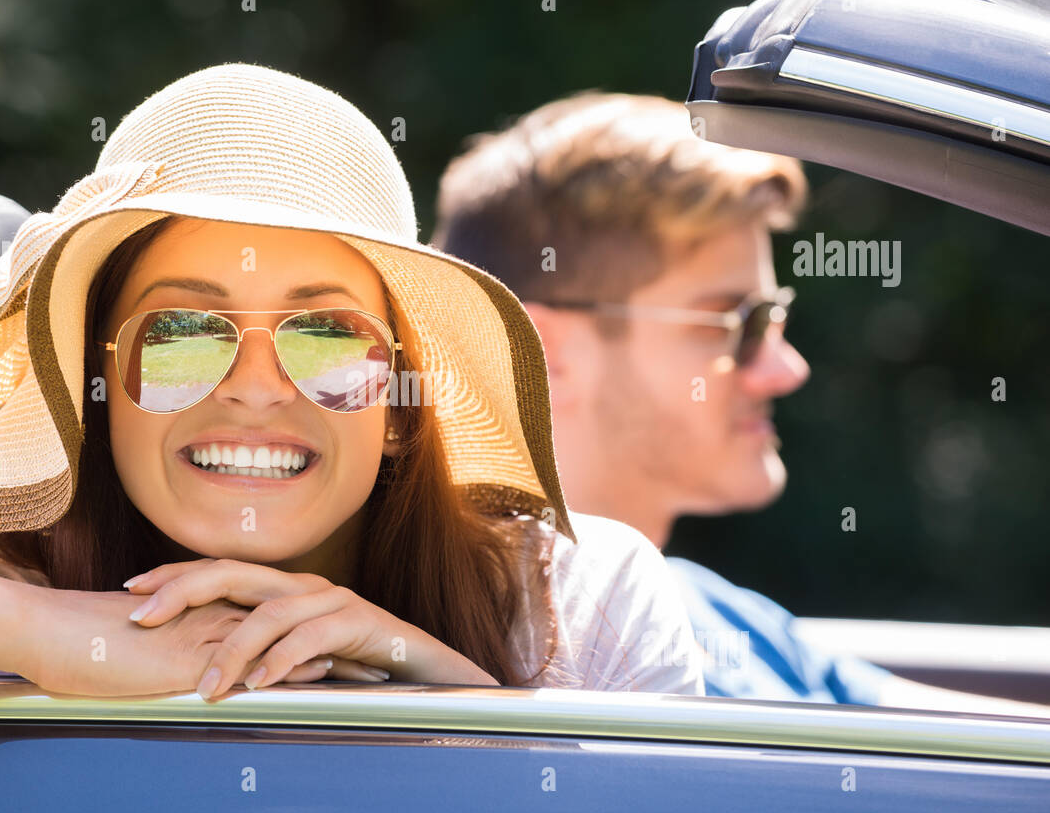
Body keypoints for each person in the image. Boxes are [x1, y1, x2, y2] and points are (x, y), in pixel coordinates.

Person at [0, 65, 702, 701]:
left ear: (405, 406)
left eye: (327, 335)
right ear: (98, 383)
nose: (254, 387)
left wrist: (444, 693)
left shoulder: (582, 599)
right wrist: (48, 634)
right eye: (182, 332)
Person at [432, 90, 1047, 716]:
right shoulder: (487, 672)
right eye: (733, 322)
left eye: (774, 317)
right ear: (541, 351)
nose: (787, 369)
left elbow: (1006, 751)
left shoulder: (711, 610)